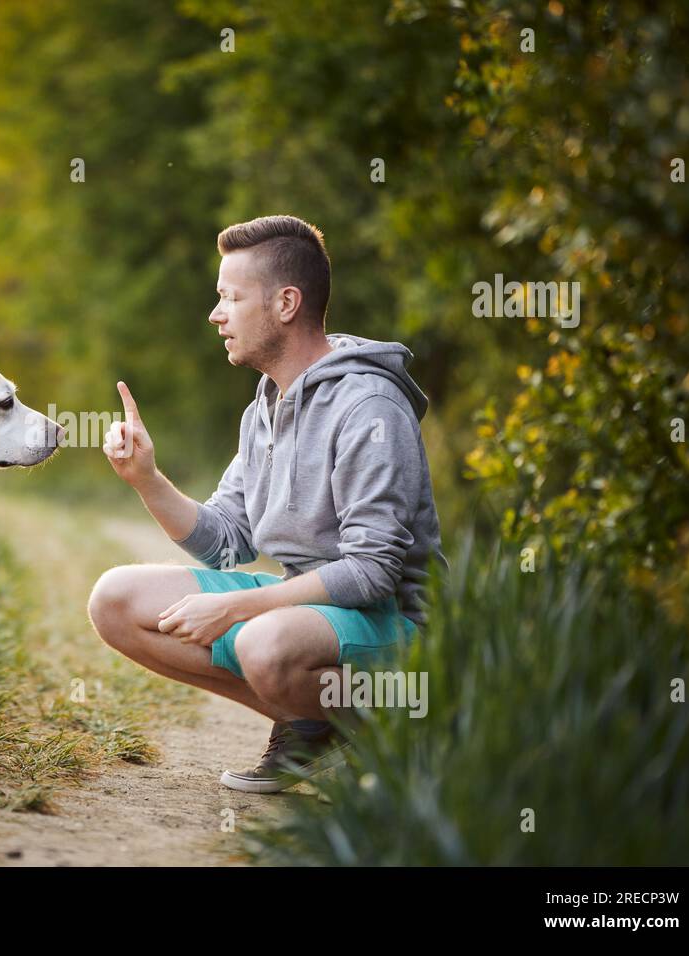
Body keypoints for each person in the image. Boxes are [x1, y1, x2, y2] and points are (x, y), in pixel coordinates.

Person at [87, 214, 446, 793]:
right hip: (311, 616)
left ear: (285, 303)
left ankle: (399, 729)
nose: (215, 313)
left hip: (399, 627)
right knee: (115, 600)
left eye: (230, 297)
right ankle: (315, 727)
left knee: (262, 639)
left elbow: (374, 572)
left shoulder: (369, 406)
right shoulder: (263, 411)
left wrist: (237, 611)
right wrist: (146, 479)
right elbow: (226, 540)